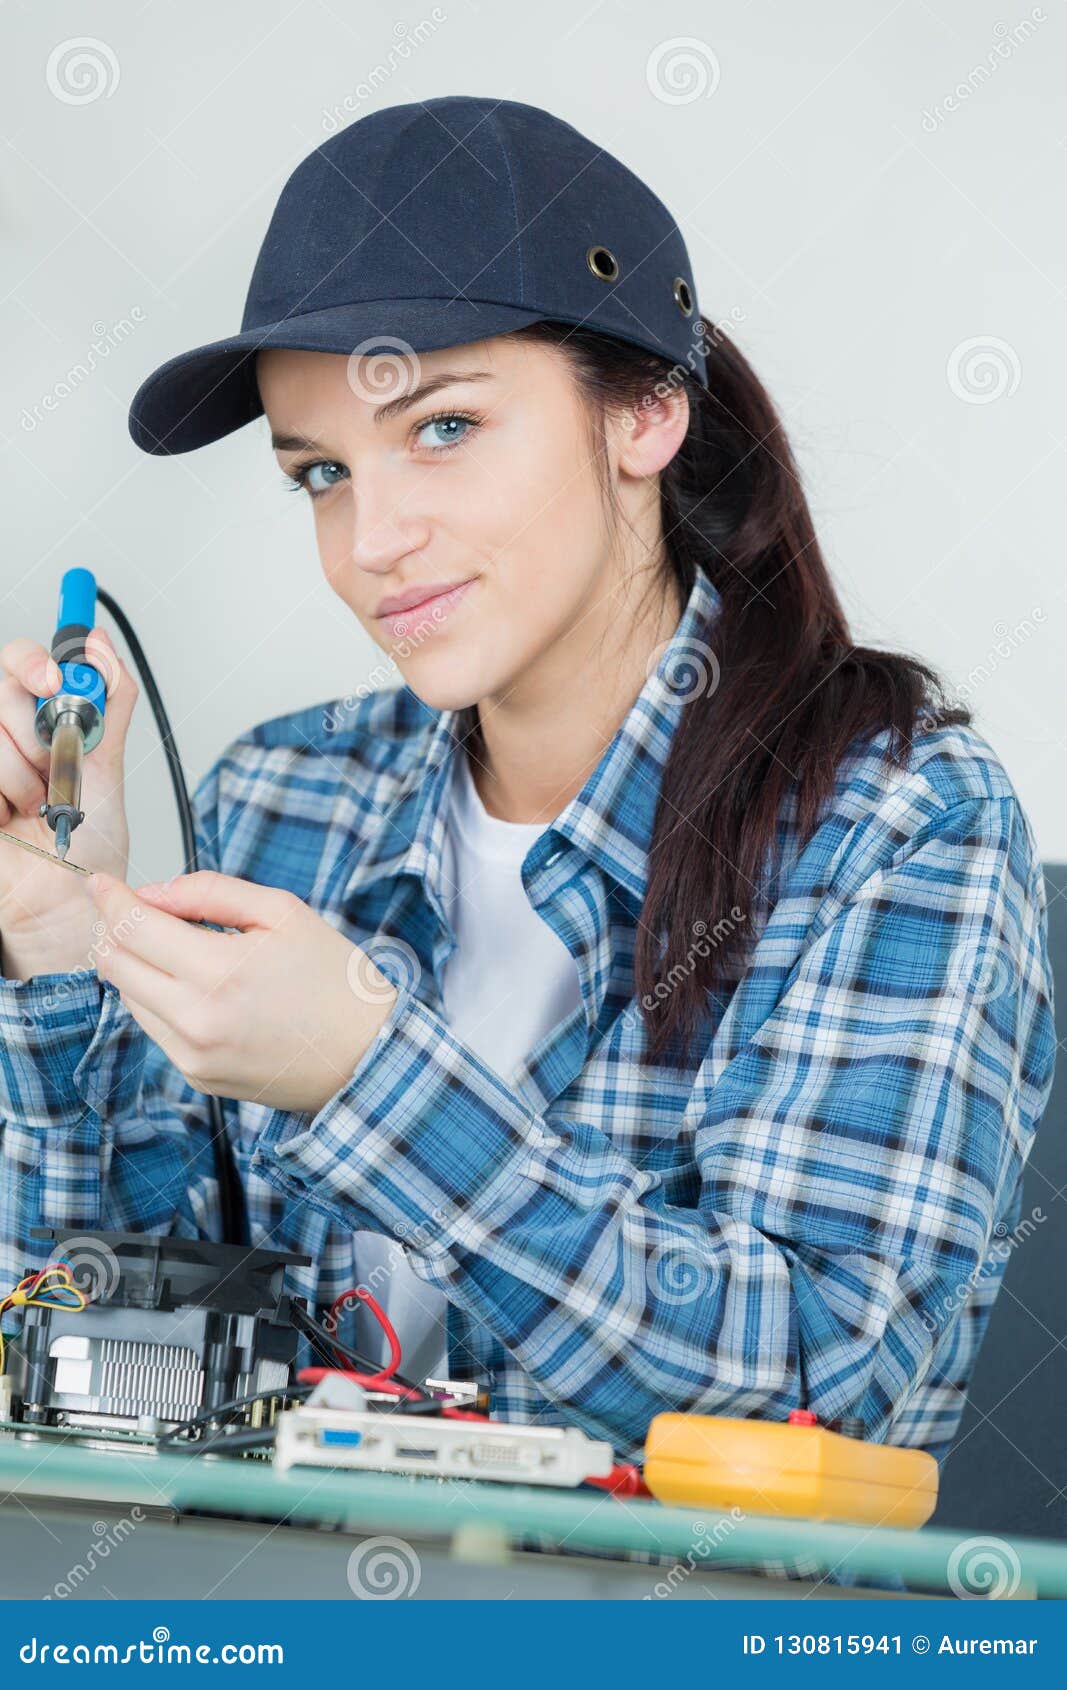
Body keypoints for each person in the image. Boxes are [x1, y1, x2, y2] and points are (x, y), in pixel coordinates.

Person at [0, 97, 1055, 1493]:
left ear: (647, 410)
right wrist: (69, 946)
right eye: (320, 472)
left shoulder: (900, 821)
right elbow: (89, 1373)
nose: (371, 542)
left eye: (441, 428)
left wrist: (370, 1074)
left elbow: (821, 1391)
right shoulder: (283, 799)